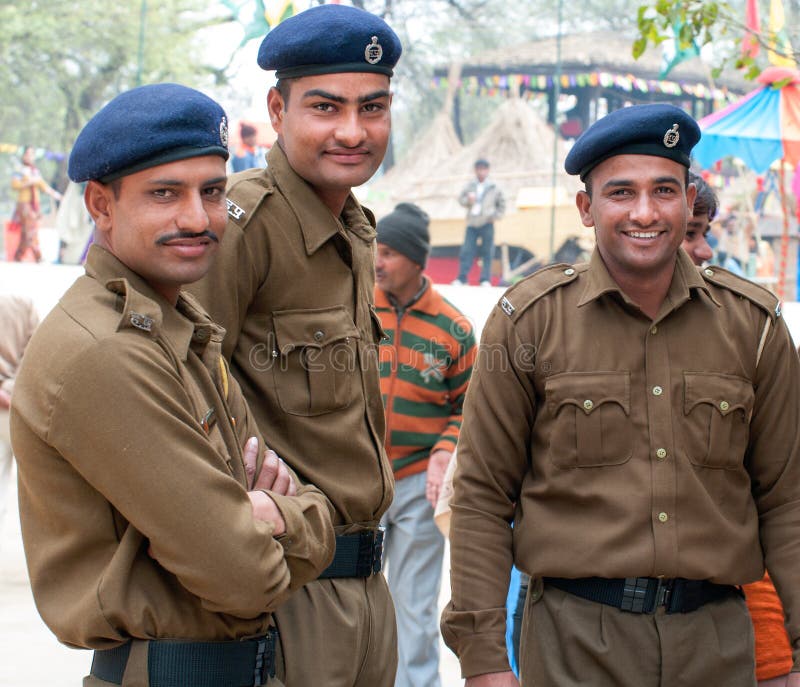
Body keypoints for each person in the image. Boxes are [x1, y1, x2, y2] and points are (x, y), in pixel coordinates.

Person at [441, 103, 800, 687]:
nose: (644, 213)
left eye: (664, 190)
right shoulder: (529, 323)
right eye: (620, 193)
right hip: (573, 643)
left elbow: (789, 501)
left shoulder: (754, 327)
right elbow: (482, 497)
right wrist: (484, 661)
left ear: (689, 201)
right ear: (586, 207)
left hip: (716, 647)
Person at [9, 83, 335, 687]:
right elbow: (246, 577)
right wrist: (279, 514)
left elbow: (319, 515)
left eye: (212, 192)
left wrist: (276, 514)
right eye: (164, 194)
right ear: (101, 205)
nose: (197, 218)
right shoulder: (104, 350)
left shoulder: (177, 327)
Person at [188, 5, 403, 686]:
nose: (352, 130)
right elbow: (183, 387)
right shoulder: (239, 225)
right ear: (277, 111)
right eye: (325, 107)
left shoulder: (358, 230)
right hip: (290, 588)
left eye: (373, 108)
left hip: (369, 585)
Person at [684, 172, 793, 687]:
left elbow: (772, 505)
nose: (704, 250)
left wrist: (778, 654)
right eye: (692, 233)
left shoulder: (748, 333)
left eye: (703, 230)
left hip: (739, 612)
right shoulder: (554, 330)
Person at [374, 202, 477, 687]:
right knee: (351, 604)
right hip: (361, 483)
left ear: (417, 261)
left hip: (419, 486)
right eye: (377, 248)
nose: (378, 260)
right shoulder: (356, 311)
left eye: (389, 252)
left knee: (412, 610)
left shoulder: (454, 329)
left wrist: (443, 452)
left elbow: (468, 407)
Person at [0, 295, 38, 531]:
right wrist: (13, 389)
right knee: (33, 491)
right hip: (20, 407)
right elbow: (36, 350)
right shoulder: (24, 304)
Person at [453, 159, 505, 286]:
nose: (481, 172)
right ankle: (462, 278)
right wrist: (468, 200)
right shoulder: (470, 186)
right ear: (475, 170)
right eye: (479, 169)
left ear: (487, 170)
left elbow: (502, 204)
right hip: (472, 222)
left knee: (487, 252)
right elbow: (461, 200)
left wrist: (494, 216)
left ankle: (485, 279)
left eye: (484, 169)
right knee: (467, 250)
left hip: (487, 222)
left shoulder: (494, 187)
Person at [10, 146, 62, 262]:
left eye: (32, 154)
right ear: (23, 156)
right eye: (28, 154)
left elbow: (43, 186)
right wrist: (28, 181)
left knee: (27, 231)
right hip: (24, 204)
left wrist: (56, 195)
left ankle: (18, 256)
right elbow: (15, 185)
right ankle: (38, 256)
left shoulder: (35, 171)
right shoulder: (20, 169)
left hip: (34, 205)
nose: (30, 156)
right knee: (31, 229)